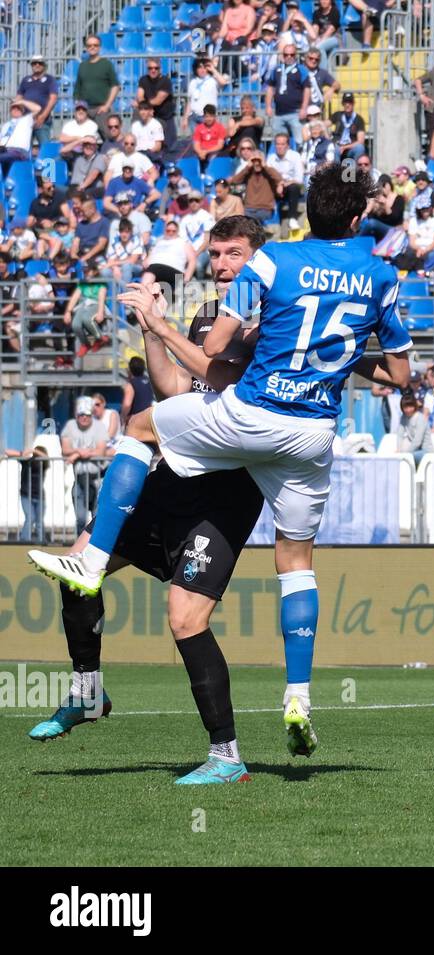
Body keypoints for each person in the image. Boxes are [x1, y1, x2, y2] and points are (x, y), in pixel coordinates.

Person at [28, 166, 414, 760]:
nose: (223, 264)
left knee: (185, 618)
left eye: (234, 253)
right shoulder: (214, 311)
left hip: (227, 489)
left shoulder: (273, 312)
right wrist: (153, 331)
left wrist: (162, 326)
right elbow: (176, 387)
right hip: (184, 464)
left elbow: (218, 372)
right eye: (215, 254)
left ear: (259, 255)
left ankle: (225, 754)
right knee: (81, 566)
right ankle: (86, 690)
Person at [61, 396, 108, 534]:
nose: (84, 418)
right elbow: (65, 449)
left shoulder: (99, 427)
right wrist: (79, 451)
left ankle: (93, 549)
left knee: (96, 518)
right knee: (80, 519)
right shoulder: (70, 426)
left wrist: (76, 455)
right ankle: (78, 548)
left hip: (96, 479)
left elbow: (101, 451)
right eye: (81, 415)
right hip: (79, 478)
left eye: (87, 415)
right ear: (77, 415)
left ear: (91, 415)